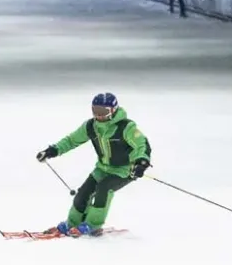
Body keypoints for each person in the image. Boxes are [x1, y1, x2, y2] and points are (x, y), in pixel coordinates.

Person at [35, 93, 151, 236]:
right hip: (102, 169)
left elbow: (142, 144)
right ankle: (72, 223)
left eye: (103, 111)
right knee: (83, 193)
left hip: (125, 170)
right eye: (95, 110)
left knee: (104, 188)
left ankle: (93, 225)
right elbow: (71, 140)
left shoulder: (126, 127)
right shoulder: (91, 126)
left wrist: (142, 162)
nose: (99, 115)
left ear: (113, 110)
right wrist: (52, 151)